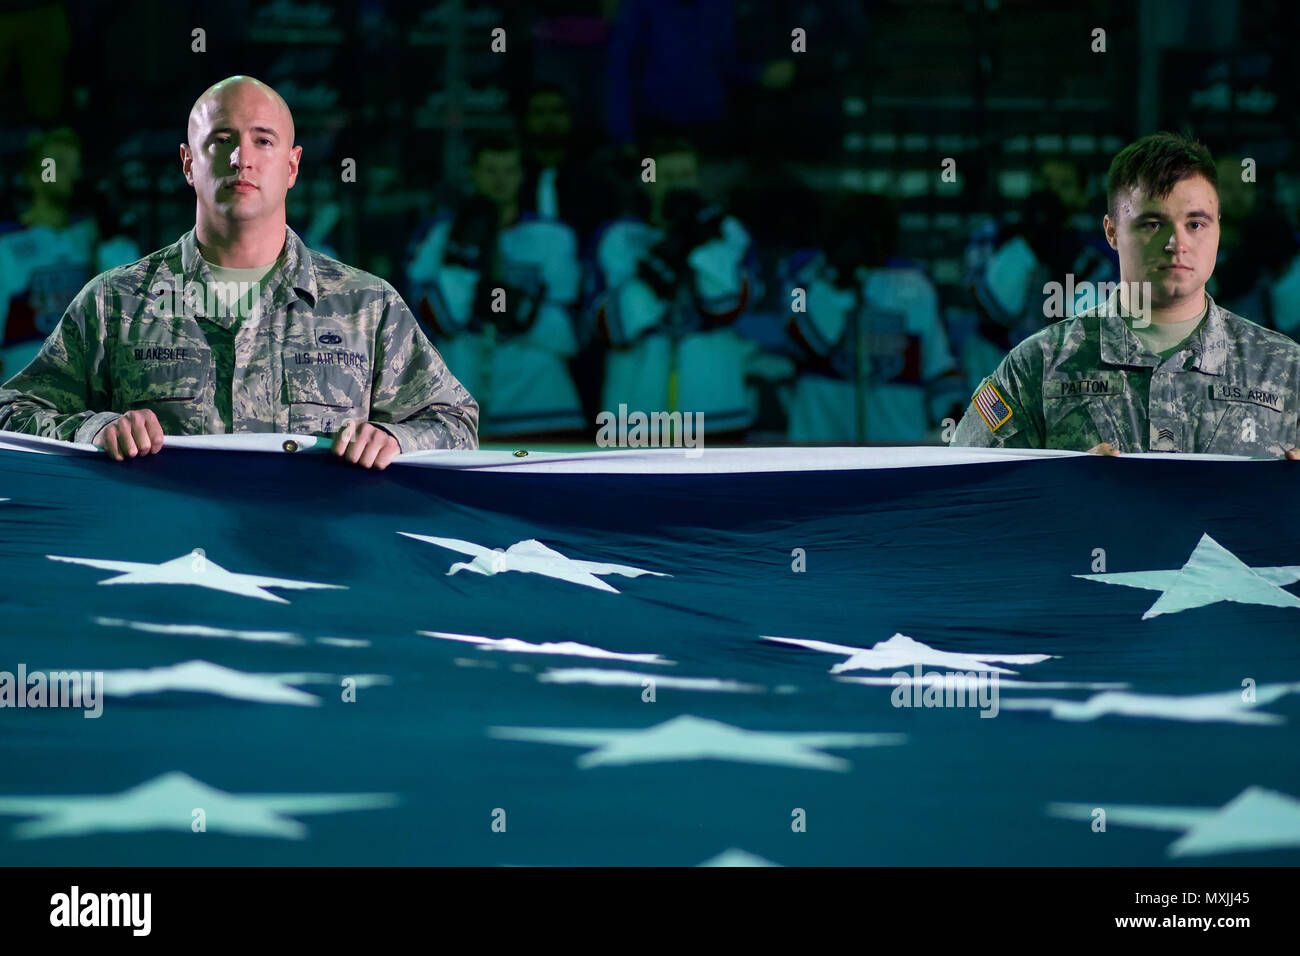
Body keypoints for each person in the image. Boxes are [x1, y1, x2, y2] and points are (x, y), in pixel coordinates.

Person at [0, 76, 478, 469]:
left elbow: (458, 424)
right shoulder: (115, 303)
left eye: (262, 140)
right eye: (221, 139)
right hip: (164, 565)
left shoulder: (366, 306)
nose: (241, 158)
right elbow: (12, 414)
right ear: (189, 163)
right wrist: (91, 429)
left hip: (318, 567)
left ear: (292, 167)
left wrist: (396, 438)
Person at [952, 132, 1300, 459]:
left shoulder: (1286, 368)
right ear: (1112, 232)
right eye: (1152, 224)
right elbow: (964, 490)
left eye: (1195, 224)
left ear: (1218, 229)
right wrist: (1057, 487)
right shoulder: (1037, 365)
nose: (1176, 243)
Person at [407, 133, 584, 440]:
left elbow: (572, 337)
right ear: (473, 173)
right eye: (490, 171)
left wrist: (521, 311)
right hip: (463, 404)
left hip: (542, 404)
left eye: (508, 171)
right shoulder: (439, 235)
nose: (500, 181)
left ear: (521, 175)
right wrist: (460, 260)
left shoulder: (554, 237)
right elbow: (431, 324)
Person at [589, 135, 759, 440]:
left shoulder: (729, 232)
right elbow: (611, 329)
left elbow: (726, 306)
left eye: (686, 176)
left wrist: (698, 246)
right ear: (647, 180)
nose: (678, 185)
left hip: (716, 412)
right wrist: (657, 270)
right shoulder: (618, 237)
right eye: (666, 176)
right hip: (637, 418)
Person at [780, 192, 967, 443]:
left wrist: (952, 410)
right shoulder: (804, 279)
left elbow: (937, 365)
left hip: (896, 448)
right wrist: (838, 283)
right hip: (818, 448)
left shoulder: (915, 286)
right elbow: (811, 341)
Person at [0, 127, 140, 380]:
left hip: (83, 379)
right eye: (57, 165)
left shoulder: (91, 234)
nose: (70, 174)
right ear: (33, 175)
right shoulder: (8, 241)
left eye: (74, 166)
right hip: (25, 378)